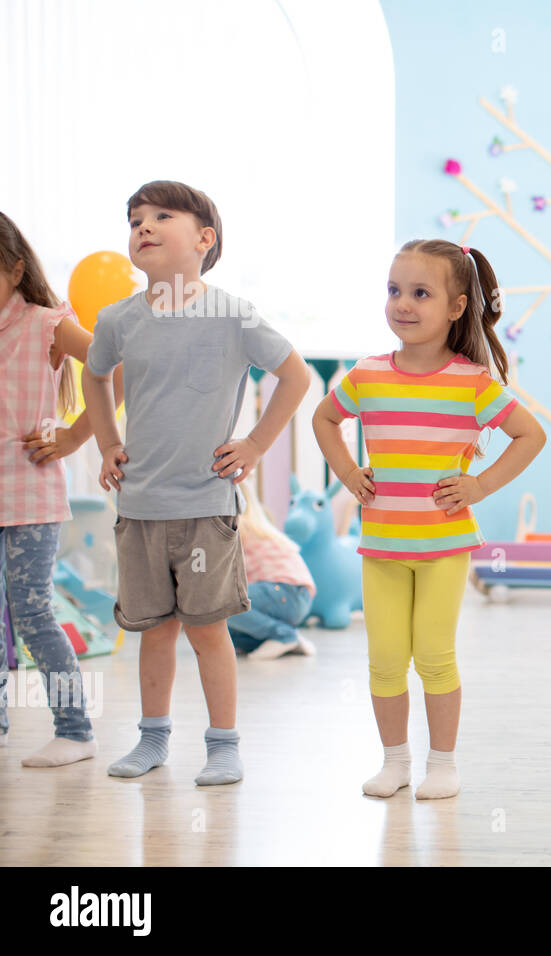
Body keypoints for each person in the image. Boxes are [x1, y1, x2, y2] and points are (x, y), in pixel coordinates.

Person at [83, 181, 311, 786]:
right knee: (153, 633)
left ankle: (223, 746)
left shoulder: (233, 314)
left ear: (204, 239)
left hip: (206, 505)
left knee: (210, 632)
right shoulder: (117, 320)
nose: (143, 227)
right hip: (140, 506)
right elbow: (97, 377)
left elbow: (295, 375)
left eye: (160, 216)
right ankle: (152, 740)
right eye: (134, 220)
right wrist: (107, 442)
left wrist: (257, 444)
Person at [312, 239, 545, 799]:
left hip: (444, 545)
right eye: (394, 291)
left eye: (420, 293)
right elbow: (324, 418)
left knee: (435, 657)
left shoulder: (471, 382)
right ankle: (395, 763)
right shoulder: (368, 375)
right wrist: (347, 473)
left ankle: (443, 765)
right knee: (386, 659)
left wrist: (479, 485)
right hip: (383, 545)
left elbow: (529, 435)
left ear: (457, 307)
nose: (404, 304)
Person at [0, 211, 122, 765]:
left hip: (28, 495)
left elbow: (116, 371)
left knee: (32, 613)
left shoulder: (45, 324)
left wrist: (75, 436)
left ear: (16, 267)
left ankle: (75, 731)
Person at [226, 480, 316, 660]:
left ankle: (284, 635)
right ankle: (290, 640)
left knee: (223, 604)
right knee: (228, 631)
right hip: (297, 597)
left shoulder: (237, 525)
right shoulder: (259, 526)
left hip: (283, 591)